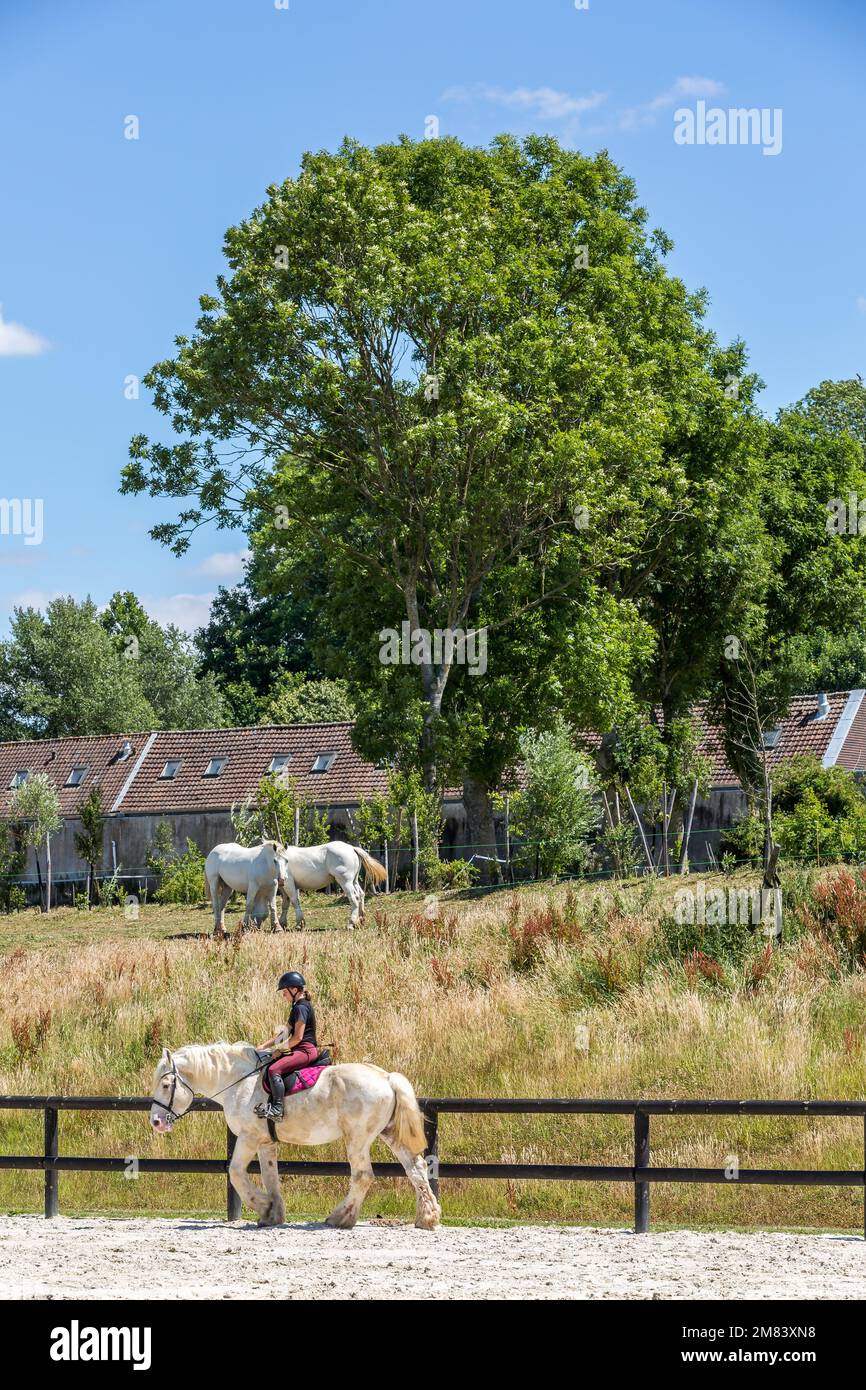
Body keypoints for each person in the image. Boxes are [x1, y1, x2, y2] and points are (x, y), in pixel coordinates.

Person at [257, 971, 319, 1120]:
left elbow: (297, 1037)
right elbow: (284, 1033)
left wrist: (280, 1050)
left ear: (294, 990)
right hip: (299, 1048)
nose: (283, 995)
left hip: (305, 1050)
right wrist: (263, 1046)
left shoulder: (301, 1008)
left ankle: (277, 1109)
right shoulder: (296, 1007)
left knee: (273, 1069)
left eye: (285, 992)